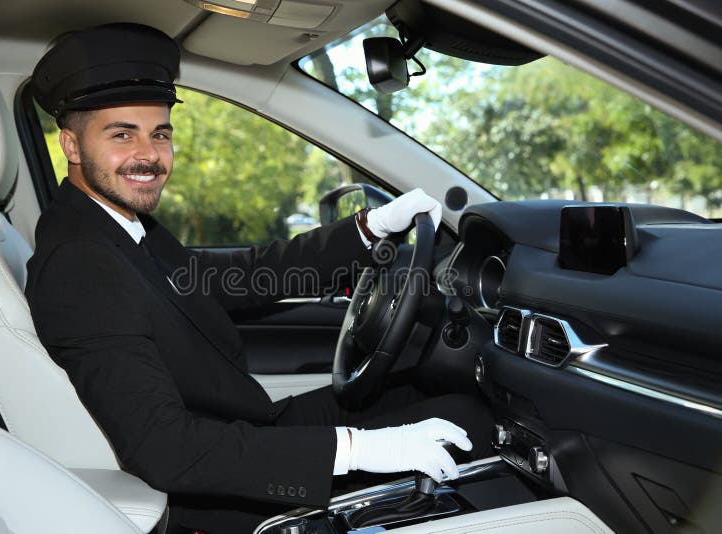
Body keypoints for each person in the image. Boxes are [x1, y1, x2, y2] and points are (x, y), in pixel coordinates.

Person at [25, 23, 493, 533]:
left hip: (243, 431)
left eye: (159, 133)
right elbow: (165, 449)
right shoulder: (79, 265)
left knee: (423, 395)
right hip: (217, 496)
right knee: (472, 426)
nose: (148, 155)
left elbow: (242, 277)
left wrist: (367, 229)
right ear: (71, 144)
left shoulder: (117, 228)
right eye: (121, 134)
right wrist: (361, 450)